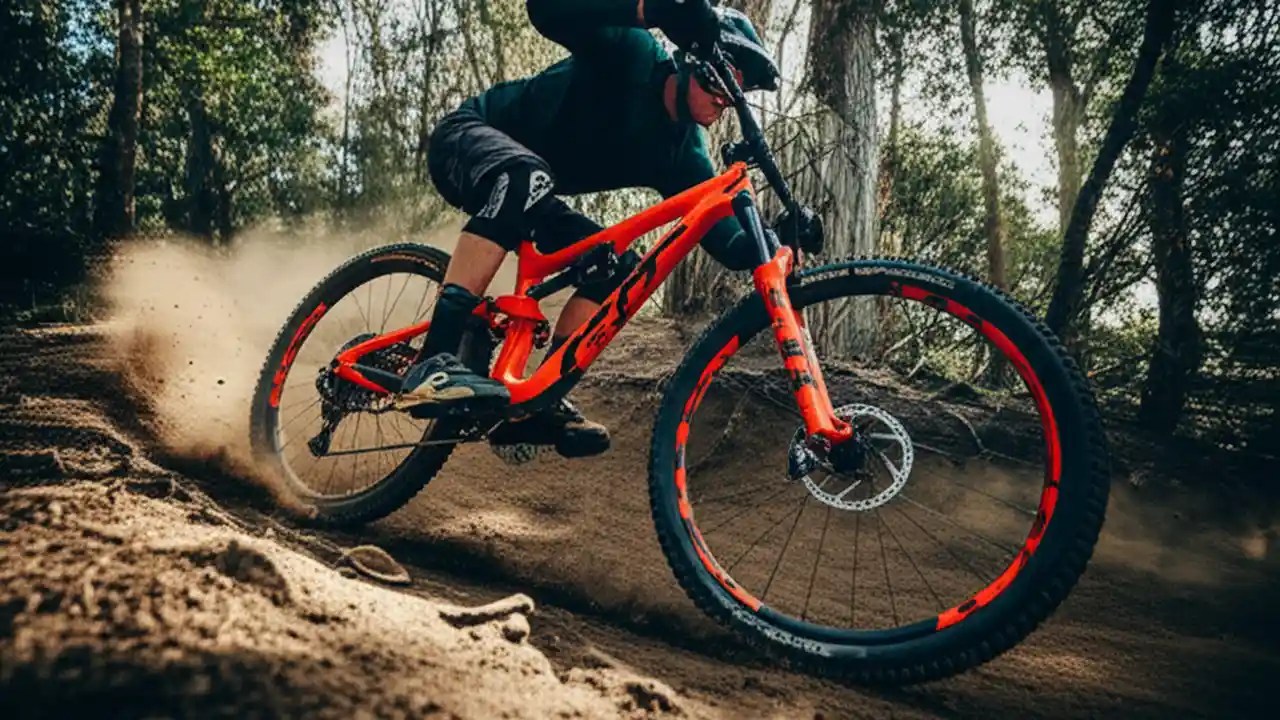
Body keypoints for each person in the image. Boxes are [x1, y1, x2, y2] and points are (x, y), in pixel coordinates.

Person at [394, 0, 779, 459]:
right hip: (466, 139)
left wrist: (773, 240)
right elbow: (545, 10)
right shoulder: (633, 53)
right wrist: (652, 10)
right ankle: (433, 361)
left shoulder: (682, 154)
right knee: (525, 176)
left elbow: (726, 241)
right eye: (724, 74)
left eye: (740, 88)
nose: (728, 94)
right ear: (692, 58)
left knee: (618, 268)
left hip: (532, 195)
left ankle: (536, 402)